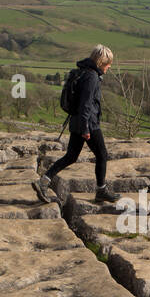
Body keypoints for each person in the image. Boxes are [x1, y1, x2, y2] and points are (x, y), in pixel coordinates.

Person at [34, 44, 119, 204]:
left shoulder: (83, 72)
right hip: (89, 123)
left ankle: (43, 181)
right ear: (102, 62)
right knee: (102, 155)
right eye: (109, 63)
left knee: (71, 156)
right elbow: (86, 104)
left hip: (76, 120)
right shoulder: (92, 77)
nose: (110, 66)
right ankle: (101, 190)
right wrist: (86, 128)